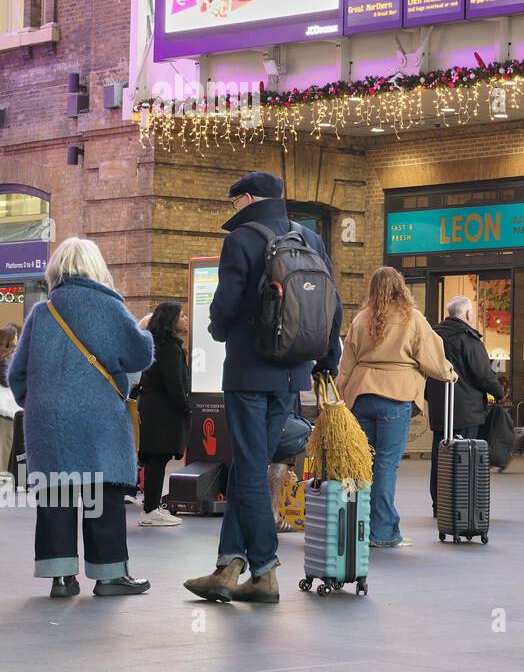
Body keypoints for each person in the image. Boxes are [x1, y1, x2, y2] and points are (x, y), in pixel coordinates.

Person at [184, 172, 342, 605]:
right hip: (292, 376)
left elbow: (226, 304)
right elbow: (334, 305)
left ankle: (266, 571)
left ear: (247, 199)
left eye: (234, 202)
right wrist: (327, 359)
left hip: (249, 374)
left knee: (250, 470)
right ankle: (228, 566)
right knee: (250, 467)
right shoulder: (310, 238)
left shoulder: (242, 239)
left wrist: (216, 328)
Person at [8, 237, 155, 598]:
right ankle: (108, 577)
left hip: (48, 419)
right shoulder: (110, 307)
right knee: (101, 491)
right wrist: (147, 333)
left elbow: (16, 374)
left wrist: (41, 401)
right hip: (97, 417)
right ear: (95, 267)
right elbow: (140, 356)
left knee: (56, 492)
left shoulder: (42, 313)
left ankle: (61, 576)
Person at [338, 267, 456, 547]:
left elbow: (346, 365)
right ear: (400, 288)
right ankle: (383, 532)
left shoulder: (360, 319)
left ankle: (359, 527)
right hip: (396, 396)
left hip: (361, 395)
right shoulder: (412, 318)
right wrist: (448, 372)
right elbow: (431, 356)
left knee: (363, 465)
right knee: (386, 465)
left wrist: (343, 397)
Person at [428, 295, 504, 502]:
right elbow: (483, 373)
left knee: (440, 454)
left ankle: (440, 502)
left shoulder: (433, 336)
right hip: (467, 409)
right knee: (465, 456)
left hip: (440, 408)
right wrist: (499, 392)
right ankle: (461, 501)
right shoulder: (468, 338)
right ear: (469, 314)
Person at [136, 302, 191, 528]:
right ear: (170, 320)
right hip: (163, 411)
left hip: (154, 407)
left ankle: (152, 506)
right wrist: (185, 407)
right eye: (181, 315)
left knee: (156, 459)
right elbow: (174, 384)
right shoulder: (169, 348)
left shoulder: (157, 345)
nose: (186, 318)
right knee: (158, 458)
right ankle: (150, 509)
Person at [0, 322, 19, 477]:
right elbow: (6, 380)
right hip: (5, 413)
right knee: (4, 456)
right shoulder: (7, 356)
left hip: (6, 412)